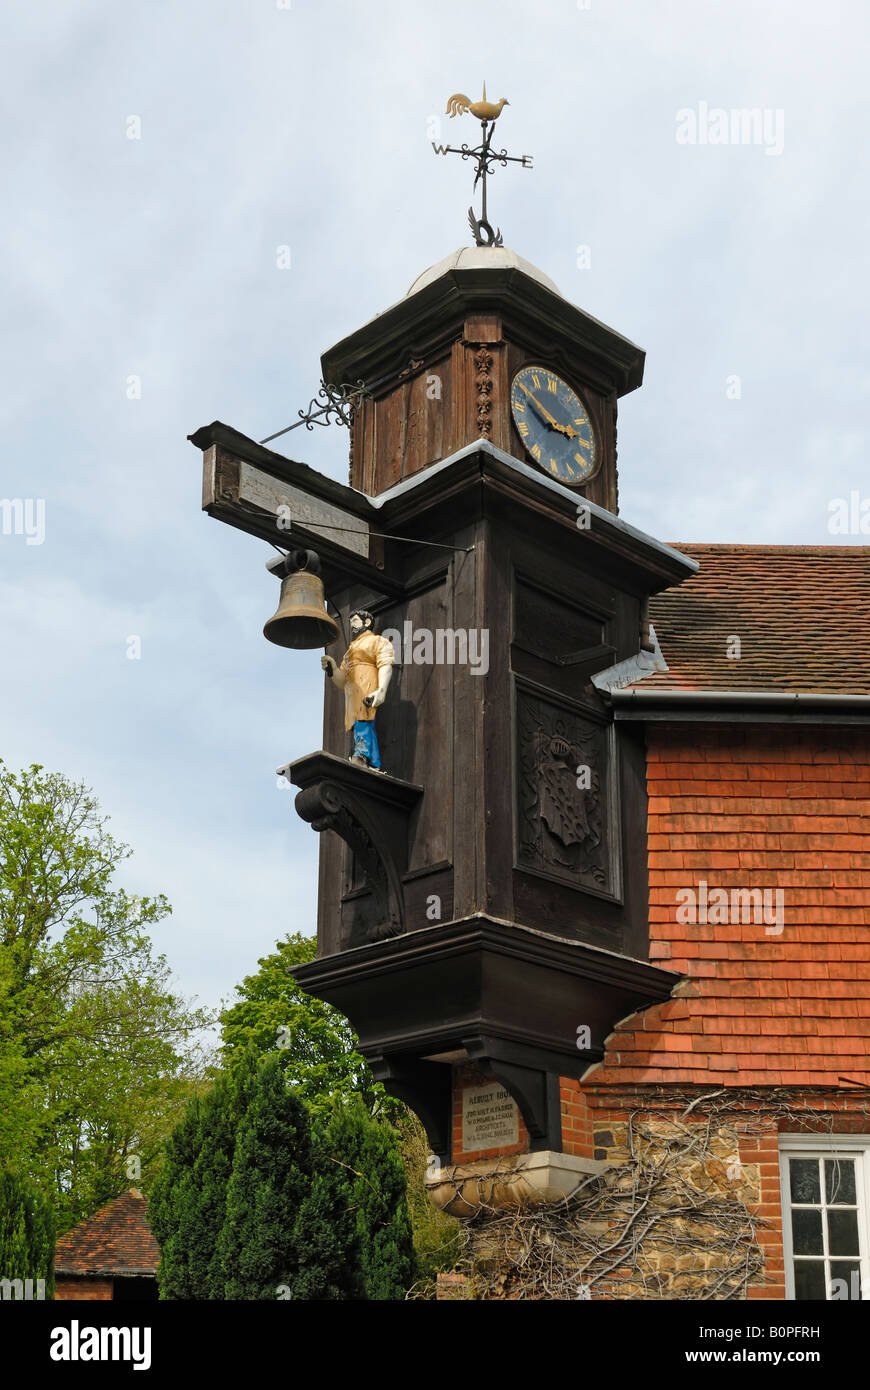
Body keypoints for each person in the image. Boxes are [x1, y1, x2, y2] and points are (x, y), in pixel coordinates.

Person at [321, 610, 394, 770]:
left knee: (363, 719)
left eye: (355, 620)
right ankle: (374, 762)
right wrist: (332, 668)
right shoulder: (351, 650)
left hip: (366, 683)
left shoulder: (377, 641)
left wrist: (381, 689)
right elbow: (343, 679)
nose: (352, 625)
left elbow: (385, 665)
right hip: (352, 689)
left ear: (367, 622)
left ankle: (362, 753)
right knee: (360, 722)